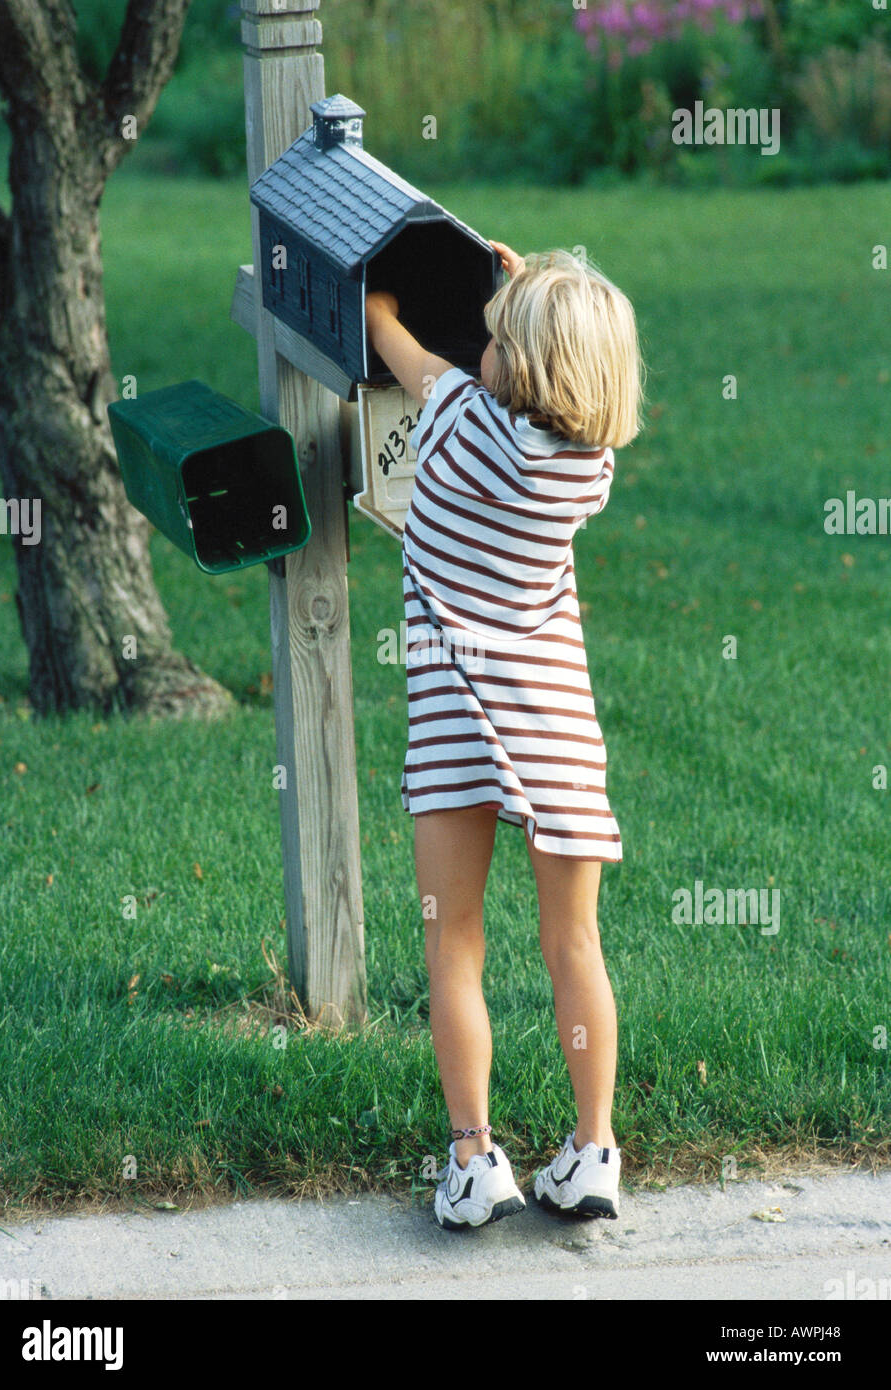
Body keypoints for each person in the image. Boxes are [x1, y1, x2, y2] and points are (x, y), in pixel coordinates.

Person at [364, 240, 644, 1229]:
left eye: (492, 337)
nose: (473, 343)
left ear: (512, 368)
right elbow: (556, 376)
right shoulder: (588, 469)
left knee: (456, 941)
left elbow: (392, 339)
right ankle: (594, 1148)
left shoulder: (454, 420)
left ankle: (474, 1156)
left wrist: (379, 301)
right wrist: (532, 298)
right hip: (558, 733)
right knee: (574, 940)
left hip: (454, 731)